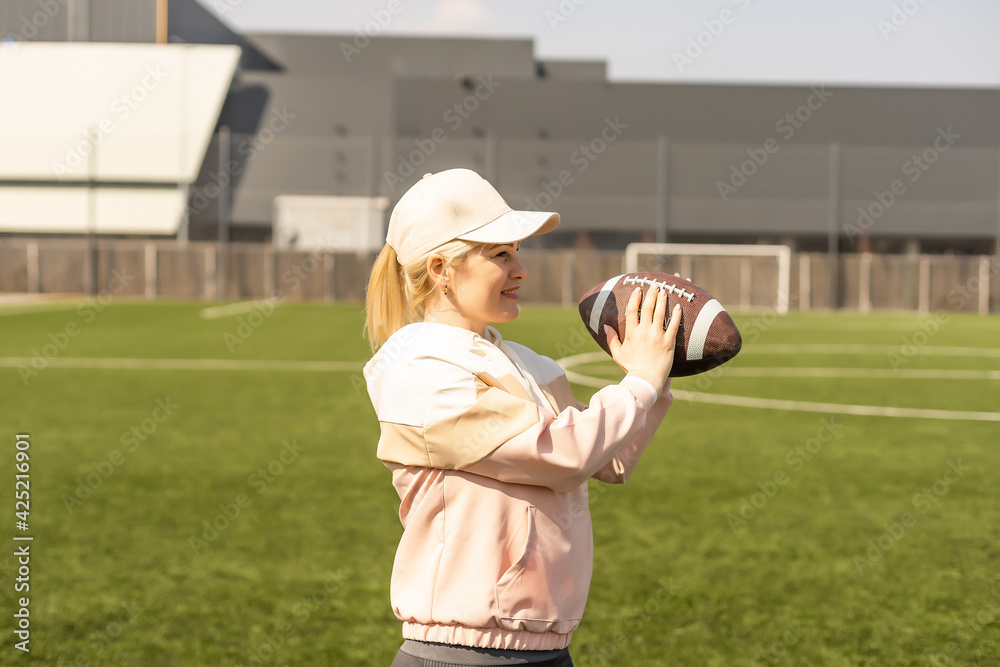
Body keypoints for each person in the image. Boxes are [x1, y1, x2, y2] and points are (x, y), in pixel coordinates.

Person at [363, 169, 682, 667]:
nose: (520, 270)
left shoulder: (530, 364)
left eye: (517, 252)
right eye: (500, 254)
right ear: (442, 268)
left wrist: (659, 379)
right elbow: (564, 454)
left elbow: (608, 460)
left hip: (546, 650)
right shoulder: (420, 376)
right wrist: (638, 383)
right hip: (459, 652)